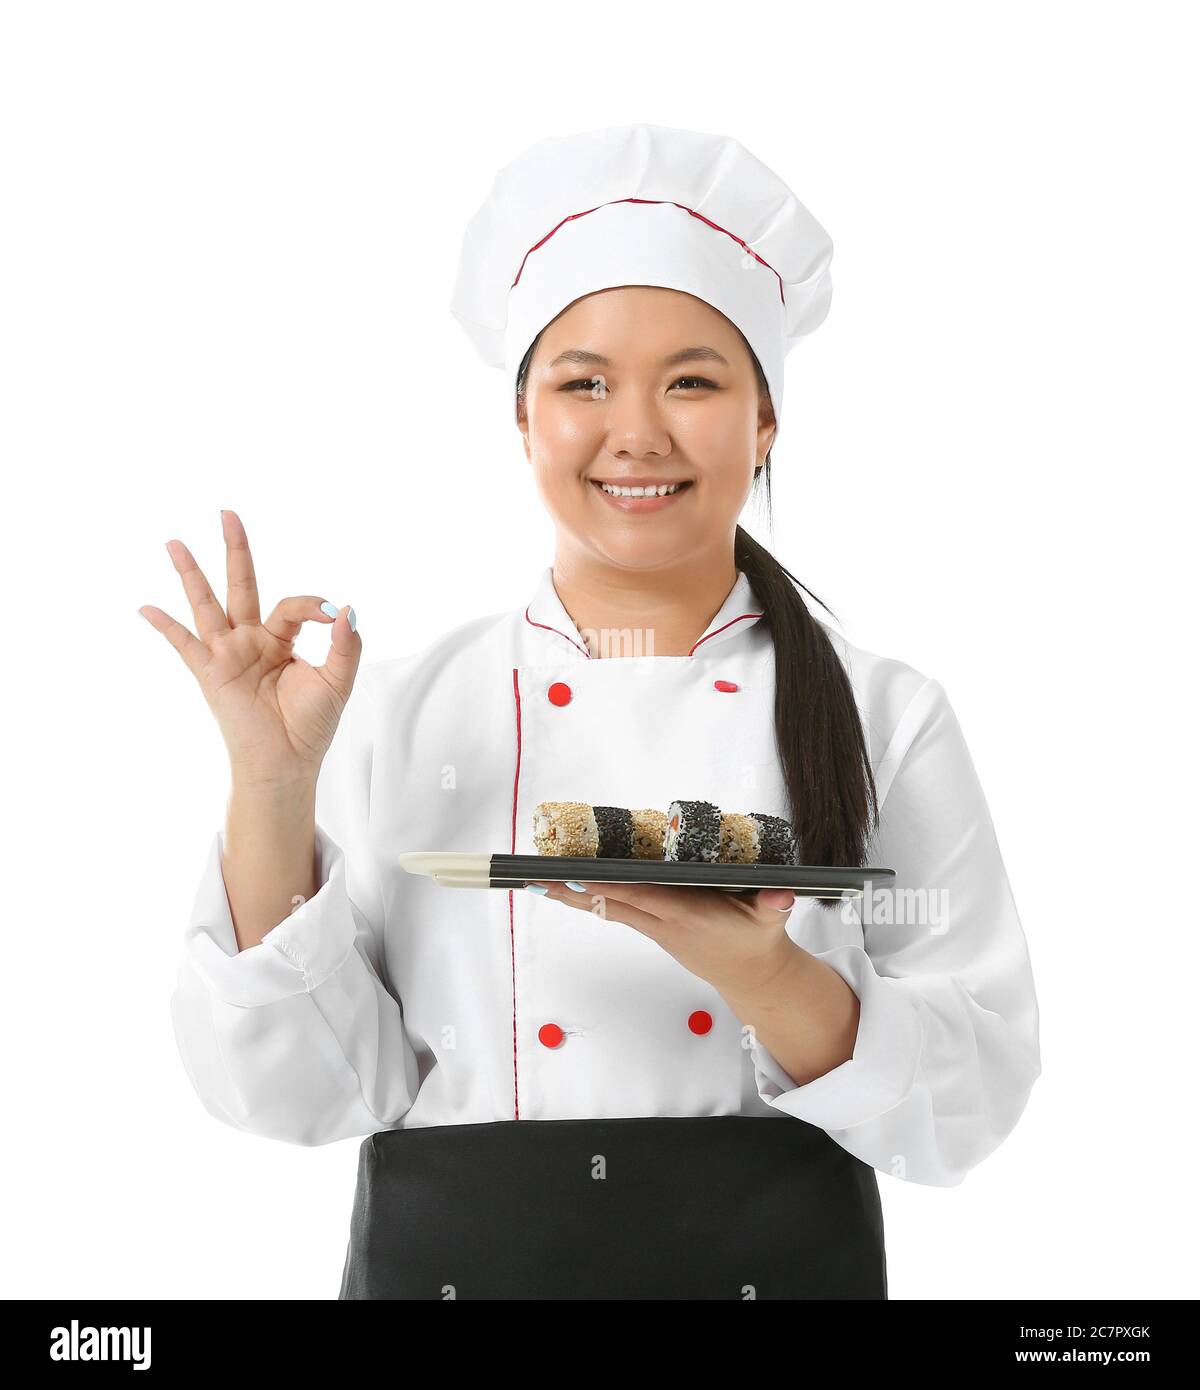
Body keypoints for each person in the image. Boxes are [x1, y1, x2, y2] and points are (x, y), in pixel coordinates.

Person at [142, 123, 1042, 1301]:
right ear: (522, 421)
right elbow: (300, 1092)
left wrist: (772, 980)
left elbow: (971, 1106)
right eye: (583, 383)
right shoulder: (408, 704)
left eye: (693, 380)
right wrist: (270, 785)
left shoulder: (885, 712)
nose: (638, 431)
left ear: (766, 420)